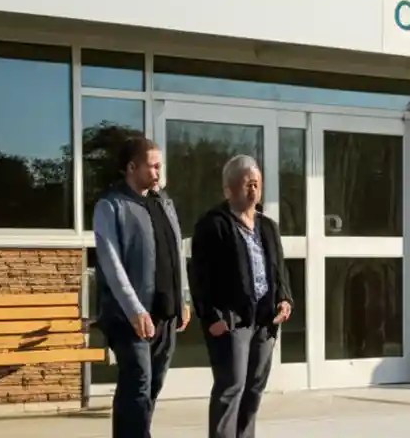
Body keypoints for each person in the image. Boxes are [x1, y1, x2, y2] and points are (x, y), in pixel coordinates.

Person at [93, 136, 191, 438]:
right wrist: (135, 310)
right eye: (153, 165)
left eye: (160, 166)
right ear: (131, 167)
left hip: (165, 312)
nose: (159, 172)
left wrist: (183, 298)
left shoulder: (164, 203)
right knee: (137, 383)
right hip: (129, 318)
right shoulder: (111, 206)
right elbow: (111, 264)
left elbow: (177, 251)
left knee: (151, 386)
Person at [190, 155, 294, 438]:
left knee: (254, 388)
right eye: (248, 184)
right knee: (230, 388)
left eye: (257, 184)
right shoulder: (213, 225)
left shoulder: (268, 226)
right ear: (228, 189)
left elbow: (279, 270)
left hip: (265, 320)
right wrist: (210, 317)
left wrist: (284, 299)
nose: (254, 190)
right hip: (231, 321)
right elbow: (199, 277)